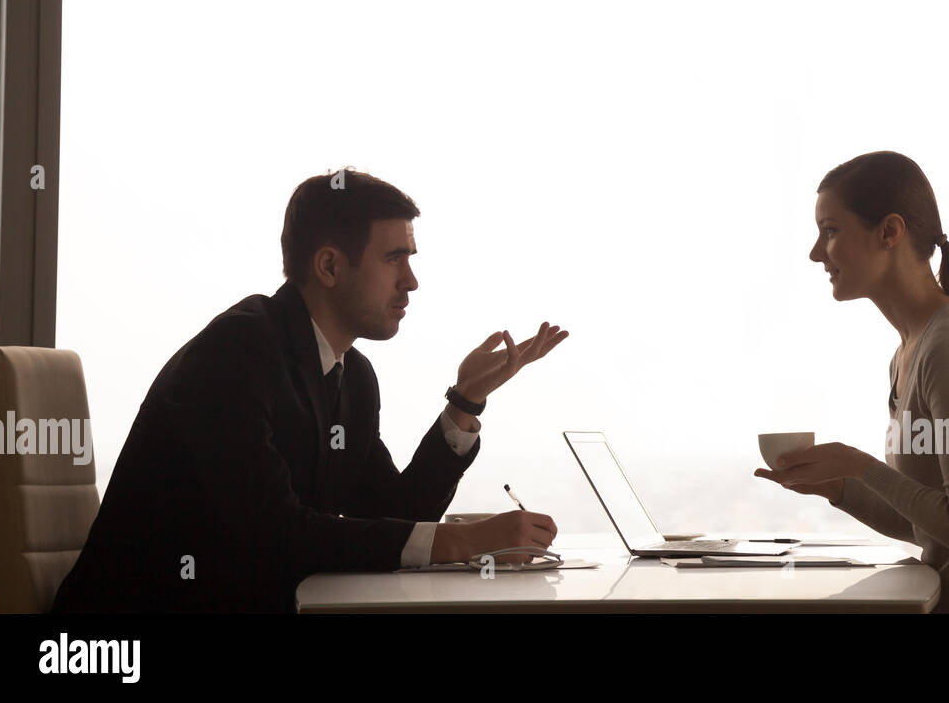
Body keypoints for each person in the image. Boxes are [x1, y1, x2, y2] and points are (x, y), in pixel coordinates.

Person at [52, 168, 566, 612]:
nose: (411, 282)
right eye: (394, 259)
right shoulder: (236, 350)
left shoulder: (353, 377)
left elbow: (398, 511)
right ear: (328, 266)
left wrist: (464, 404)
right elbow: (275, 532)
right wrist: (463, 540)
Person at [754, 151, 949, 614]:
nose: (816, 252)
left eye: (831, 230)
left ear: (889, 232)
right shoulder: (910, 352)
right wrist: (839, 487)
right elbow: (933, 525)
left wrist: (860, 465)